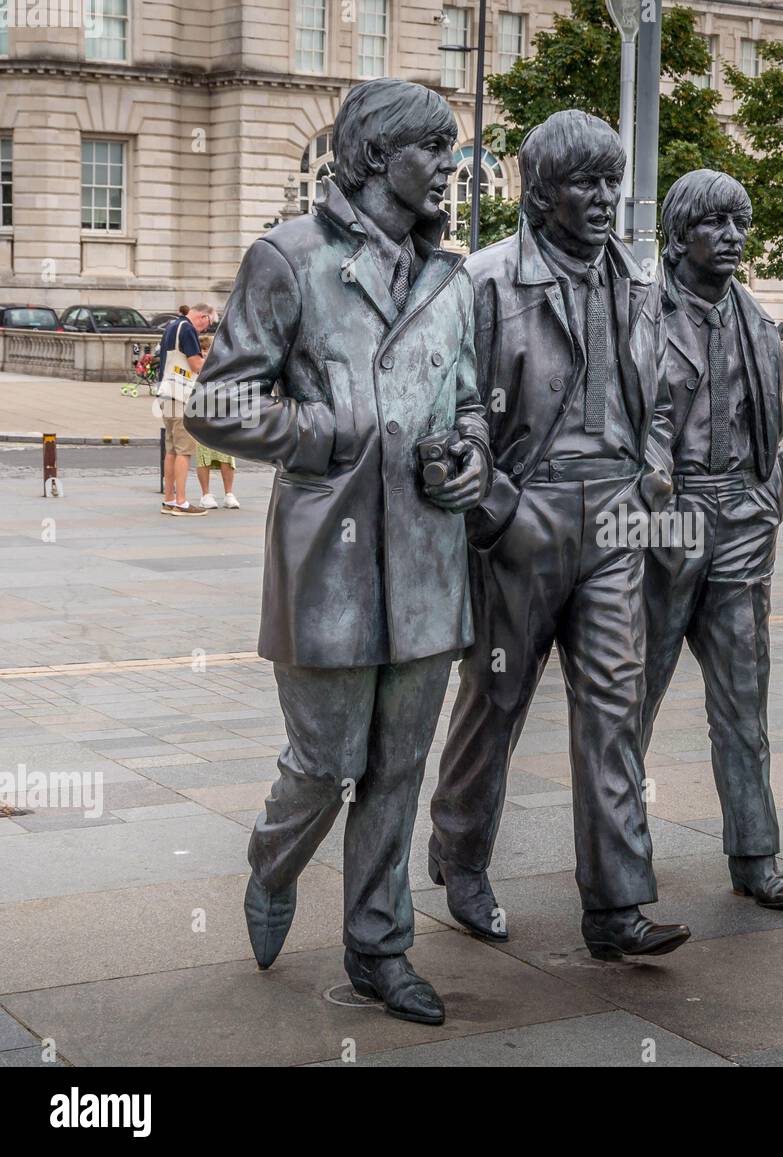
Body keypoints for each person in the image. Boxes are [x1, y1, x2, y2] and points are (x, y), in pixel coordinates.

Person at [185, 78, 489, 1025]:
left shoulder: (452, 277)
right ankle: (274, 860)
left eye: (452, 149)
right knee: (323, 765)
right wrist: (326, 428)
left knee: (399, 771)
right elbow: (216, 404)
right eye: (433, 150)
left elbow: (471, 402)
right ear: (372, 158)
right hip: (332, 563)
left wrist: (470, 457)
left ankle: (379, 947)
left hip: (431, 564)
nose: (451, 165)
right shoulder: (290, 258)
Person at [428, 109, 691, 961]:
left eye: (612, 180)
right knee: (495, 702)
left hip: (616, 515)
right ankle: (460, 854)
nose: (606, 197)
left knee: (614, 711)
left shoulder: (640, 283)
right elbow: (450, 411)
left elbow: (659, 402)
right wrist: (497, 507)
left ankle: (616, 905)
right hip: (524, 514)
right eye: (586, 182)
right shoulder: (486, 281)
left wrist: (651, 473)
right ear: (540, 194)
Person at [641, 169, 783, 911]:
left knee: (744, 703)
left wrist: (767, 496)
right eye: (716, 224)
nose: (734, 237)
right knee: (630, 703)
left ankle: (755, 854)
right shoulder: (638, 315)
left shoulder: (759, 321)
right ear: (680, 235)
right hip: (664, 521)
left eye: (741, 223)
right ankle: (618, 860)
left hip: (741, 518)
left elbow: (766, 431)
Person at [157, 303, 215, 516]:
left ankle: (169, 499)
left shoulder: (172, 326)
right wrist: (212, 360)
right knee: (184, 450)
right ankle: (181, 501)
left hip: (165, 393)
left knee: (171, 450)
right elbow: (196, 365)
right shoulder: (188, 329)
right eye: (208, 324)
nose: (205, 330)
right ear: (203, 317)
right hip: (181, 396)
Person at [194, 331, 240, 509]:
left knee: (226, 455)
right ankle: (206, 494)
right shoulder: (196, 365)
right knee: (204, 455)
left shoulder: (224, 364)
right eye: (203, 350)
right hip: (202, 412)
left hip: (222, 411)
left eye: (208, 349)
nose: (206, 353)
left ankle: (229, 493)